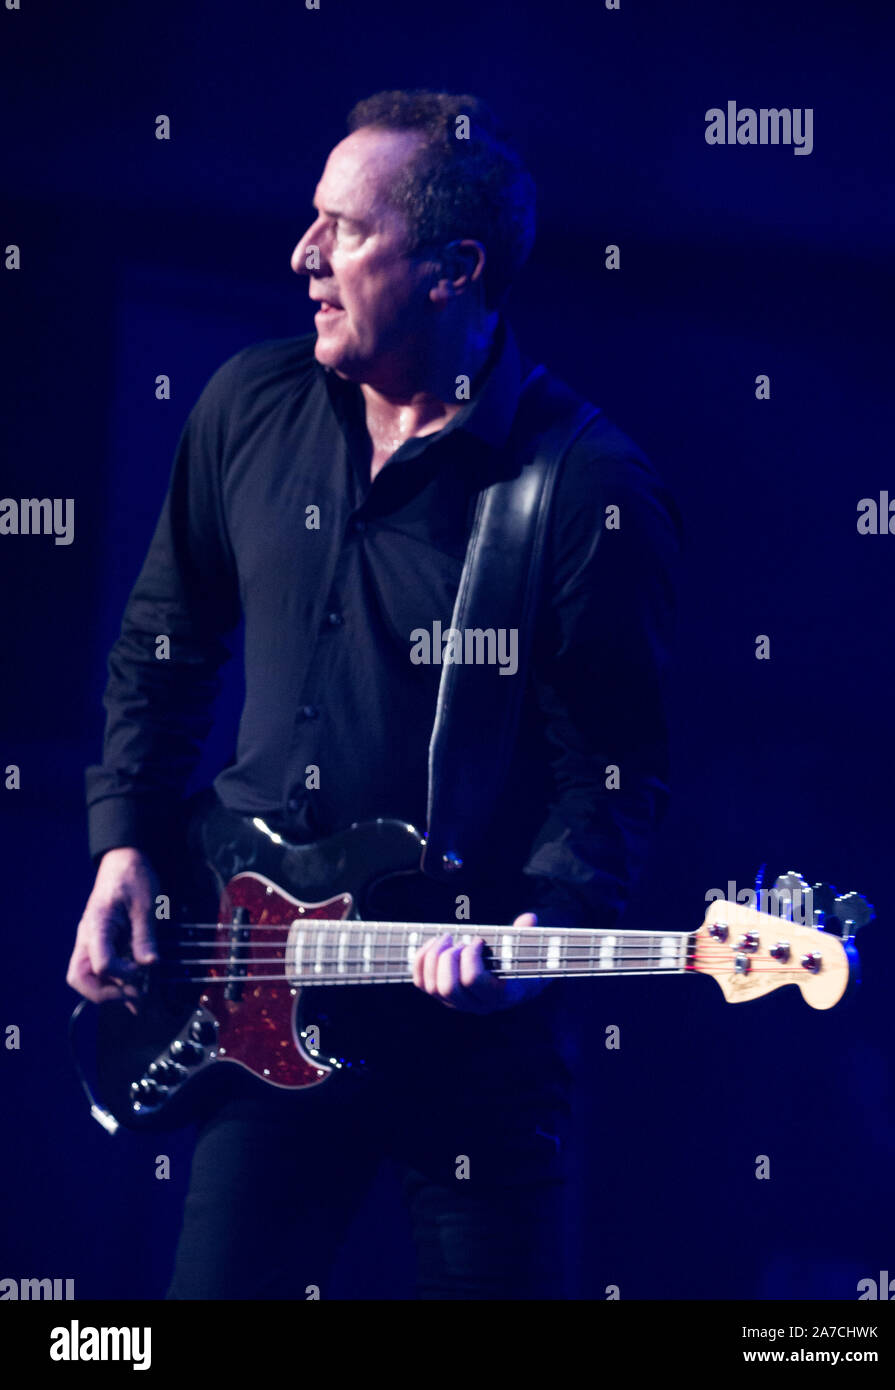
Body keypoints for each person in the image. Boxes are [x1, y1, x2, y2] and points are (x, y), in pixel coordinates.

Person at [67, 89, 681, 1299]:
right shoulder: (251, 404)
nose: (303, 255)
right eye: (312, 221)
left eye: (342, 230)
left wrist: (543, 927)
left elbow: (614, 767)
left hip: (471, 1046)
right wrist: (124, 841)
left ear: (454, 268)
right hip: (253, 1003)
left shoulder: (582, 484)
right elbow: (166, 640)